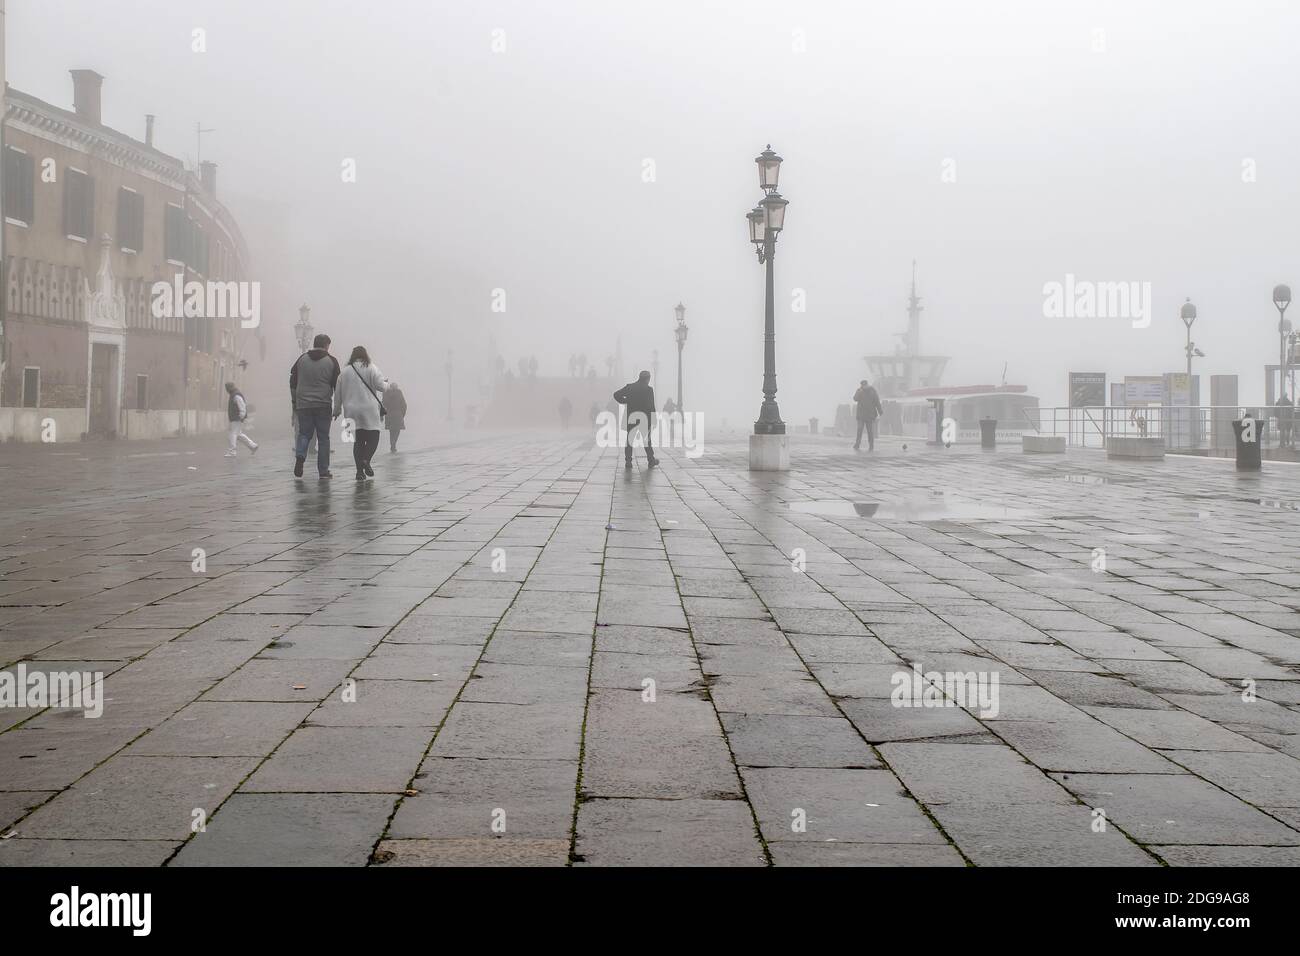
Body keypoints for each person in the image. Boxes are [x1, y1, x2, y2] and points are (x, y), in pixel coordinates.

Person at [290, 333, 341, 478]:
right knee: (323, 437)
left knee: (304, 433)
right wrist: (337, 407)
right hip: (323, 404)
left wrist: (294, 402)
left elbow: (292, 383)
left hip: (303, 405)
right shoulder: (331, 361)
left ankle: (300, 456)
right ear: (326, 345)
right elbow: (337, 386)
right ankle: (323, 471)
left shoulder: (301, 359)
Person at [334, 345, 387, 481]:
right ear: (365, 355)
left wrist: (337, 409)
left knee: (357, 441)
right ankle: (366, 460)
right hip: (369, 409)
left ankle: (359, 472)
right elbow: (381, 386)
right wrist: (387, 383)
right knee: (373, 437)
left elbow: (338, 392)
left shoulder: (344, 372)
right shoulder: (371, 367)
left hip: (350, 411)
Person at [613, 370, 658, 468]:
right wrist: (654, 419)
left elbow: (616, 394)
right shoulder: (649, 389)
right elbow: (651, 406)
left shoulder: (630, 387)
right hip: (645, 419)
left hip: (631, 418)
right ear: (647, 378)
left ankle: (628, 461)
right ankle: (651, 460)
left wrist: (625, 401)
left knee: (630, 440)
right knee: (647, 441)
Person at [224, 382, 258, 458]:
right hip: (236, 418)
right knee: (238, 434)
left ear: (230, 388)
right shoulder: (234, 394)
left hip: (236, 418)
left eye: (227, 388)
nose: (226, 390)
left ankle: (232, 452)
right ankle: (253, 446)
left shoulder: (236, 395)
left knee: (232, 434)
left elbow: (242, 406)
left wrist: (241, 416)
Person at [852, 378, 883, 452]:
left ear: (867, 384)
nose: (863, 387)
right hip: (861, 415)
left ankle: (871, 445)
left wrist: (880, 411)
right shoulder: (859, 391)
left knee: (870, 431)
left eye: (865, 385)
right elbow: (855, 398)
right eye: (862, 385)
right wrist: (859, 392)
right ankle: (857, 444)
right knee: (859, 430)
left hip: (869, 415)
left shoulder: (872, 391)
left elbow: (877, 401)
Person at [384, 381, 408, 452]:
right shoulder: (399, 392)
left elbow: (383, 404)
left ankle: (392, 445)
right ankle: (393, 445)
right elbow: (404, 405)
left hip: (389, 415)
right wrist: (402, 414)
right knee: (397, 431)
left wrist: (383, 414)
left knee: (391, 431)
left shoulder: (386, 393)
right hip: (398, 414)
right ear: (396, 387)